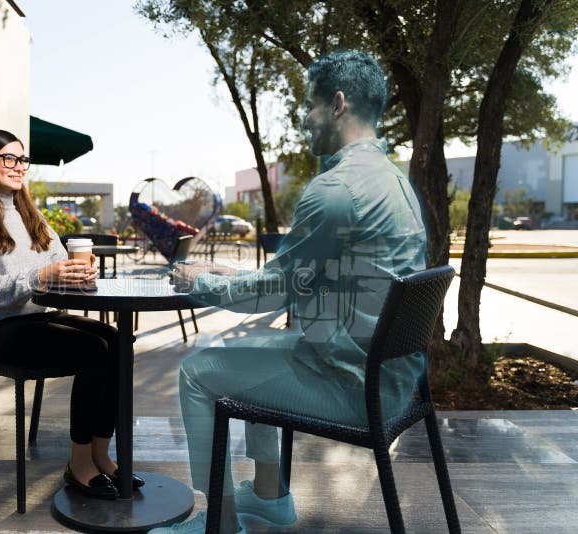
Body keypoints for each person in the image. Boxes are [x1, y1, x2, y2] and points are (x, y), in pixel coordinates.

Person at [151, 51, 428, 533]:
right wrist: (223, 269)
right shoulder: (393, 182)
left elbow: (268, 296)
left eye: (310, 106)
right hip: (390, 377)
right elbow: (301, 275)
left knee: (197, 372)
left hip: (355, 388)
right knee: (254, 346)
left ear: (337, 104)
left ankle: (218, 521)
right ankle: (269, 496)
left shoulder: (337, 189)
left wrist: (201, 282)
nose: (304, 118)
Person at [0, 129, 144, 500]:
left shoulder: (30, 213)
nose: (18, 166)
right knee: (93, 350)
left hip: (40, 319)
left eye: (22, 159)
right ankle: (79, 463)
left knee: (120, 342)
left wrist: (75, 272)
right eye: (8, 158)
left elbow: (58, 261)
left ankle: (101, 454)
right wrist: (40, 275)